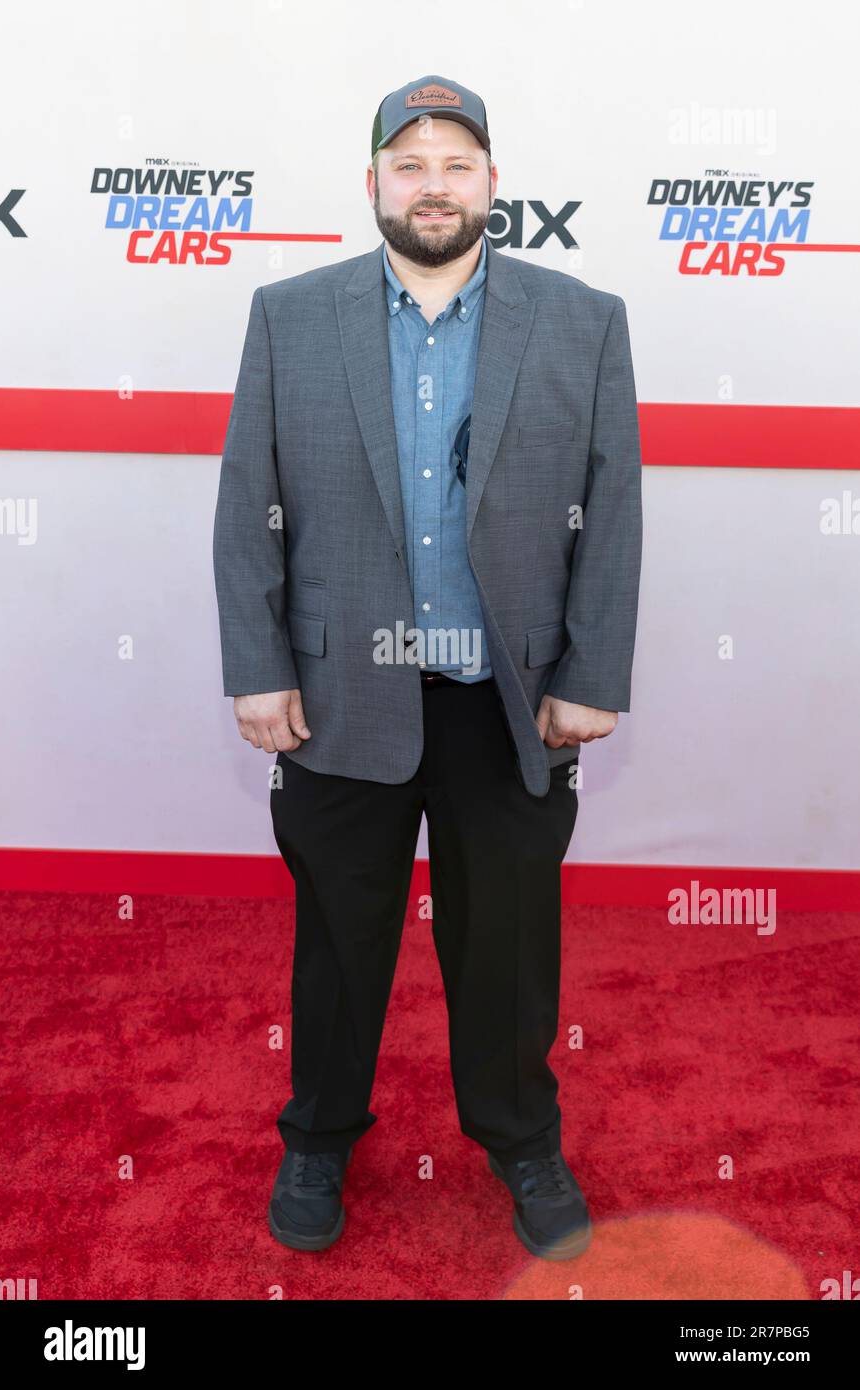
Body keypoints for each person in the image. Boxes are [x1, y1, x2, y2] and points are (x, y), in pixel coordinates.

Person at [212, 74, 642, 1262]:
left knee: (505, 941)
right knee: (341, 936)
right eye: (409, 166)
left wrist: (590, 670)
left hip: (508, 703)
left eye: (456, 164)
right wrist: (257, 667)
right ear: (372, 186)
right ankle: (317, 1135)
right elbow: (250, 501)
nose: (433, 185)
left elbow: (610, 512)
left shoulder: (582, 318)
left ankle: (519, 1138)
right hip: (340, 691)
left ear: (491, 184)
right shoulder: (289, 316)